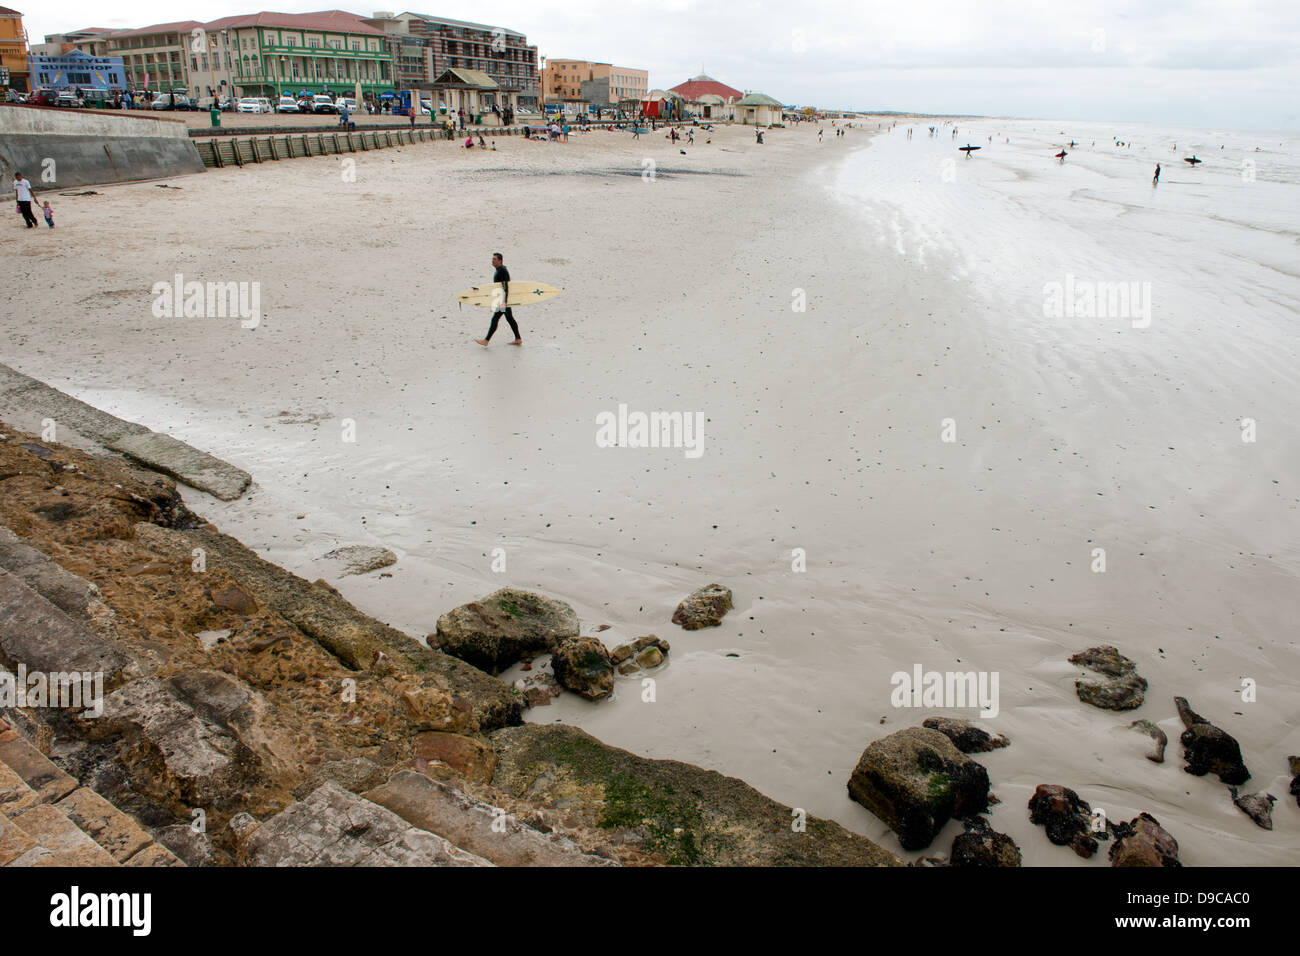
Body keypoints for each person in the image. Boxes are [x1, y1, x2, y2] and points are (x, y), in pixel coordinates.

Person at [475, 252, 522, 347]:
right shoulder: (499, 269)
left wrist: (504, 302)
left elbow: (505, 287)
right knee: (509, 318)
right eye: (492, 259)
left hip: (503, 300)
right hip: (501, 299)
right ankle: (518, 338)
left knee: (496, 319)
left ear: (500, 261)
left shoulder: (502, 271)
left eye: (494, 259)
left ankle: (486, 340)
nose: (492, 261)